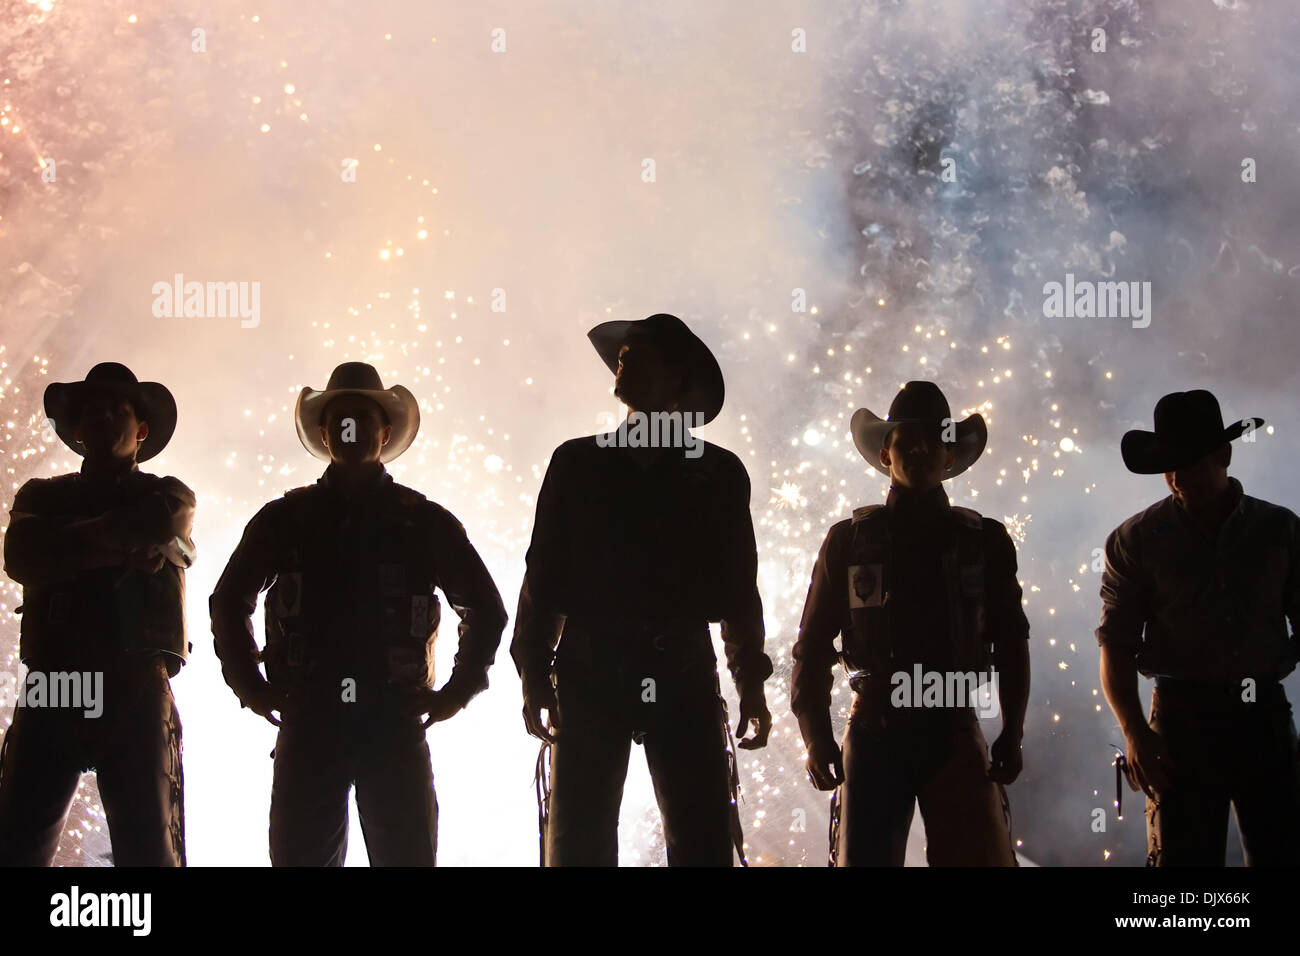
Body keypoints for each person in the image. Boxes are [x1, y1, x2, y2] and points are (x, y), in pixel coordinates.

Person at [210, 362, 506, 866]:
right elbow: (227, 601)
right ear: (324, 433)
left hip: (385, 719)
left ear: (384, 432)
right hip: (316, 720)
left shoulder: (419, 520)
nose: (350, 428)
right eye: (341, 418)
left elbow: (485, 608)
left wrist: (459, 690)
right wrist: (250, 686)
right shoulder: (288, 518)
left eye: (361, 418)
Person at [512, 312, 773, 866]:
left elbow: (737, 589)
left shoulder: (717, 474)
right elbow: (545, 575)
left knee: (701, 840)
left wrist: (751, 680)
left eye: (641, 352)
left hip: (664, 667)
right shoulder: (577, 462)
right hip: (601, 669)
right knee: (579, 844)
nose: (624, 358)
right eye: (626, 352)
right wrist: (533, 671)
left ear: (677, 379)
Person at [791, 380, 1030, 866]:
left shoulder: (984, 541)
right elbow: (812, 646)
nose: (919, 448)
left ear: (948, 455)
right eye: (907, 439)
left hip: (953, 724)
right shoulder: (848, 542)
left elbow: (1011, 642)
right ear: (886, 454)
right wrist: (815, 736)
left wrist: (1013, 729)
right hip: (877, 726)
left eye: (932, 439)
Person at [0, 362, 195, 866]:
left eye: (118, 410)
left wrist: (67, 546)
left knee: (149, 851)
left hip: (126, 681)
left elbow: (40, 553)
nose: (105, 417)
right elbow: (21, 556)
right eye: (95, 411)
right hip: (61, 680)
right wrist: (123, 542)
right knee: (15, 846)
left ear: (142, 429)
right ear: (78, 430)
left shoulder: (167, 496)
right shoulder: (42, 495)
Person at [1098, 389, 1300, 866]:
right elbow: (1116, 644)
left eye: (1186, 462)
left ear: (1223, 455)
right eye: (1169, 465)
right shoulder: (1136, 540)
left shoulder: (1281, 531)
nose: (1175, 478)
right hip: (1183, 721)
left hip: (1260, 714)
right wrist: (1134, 732)